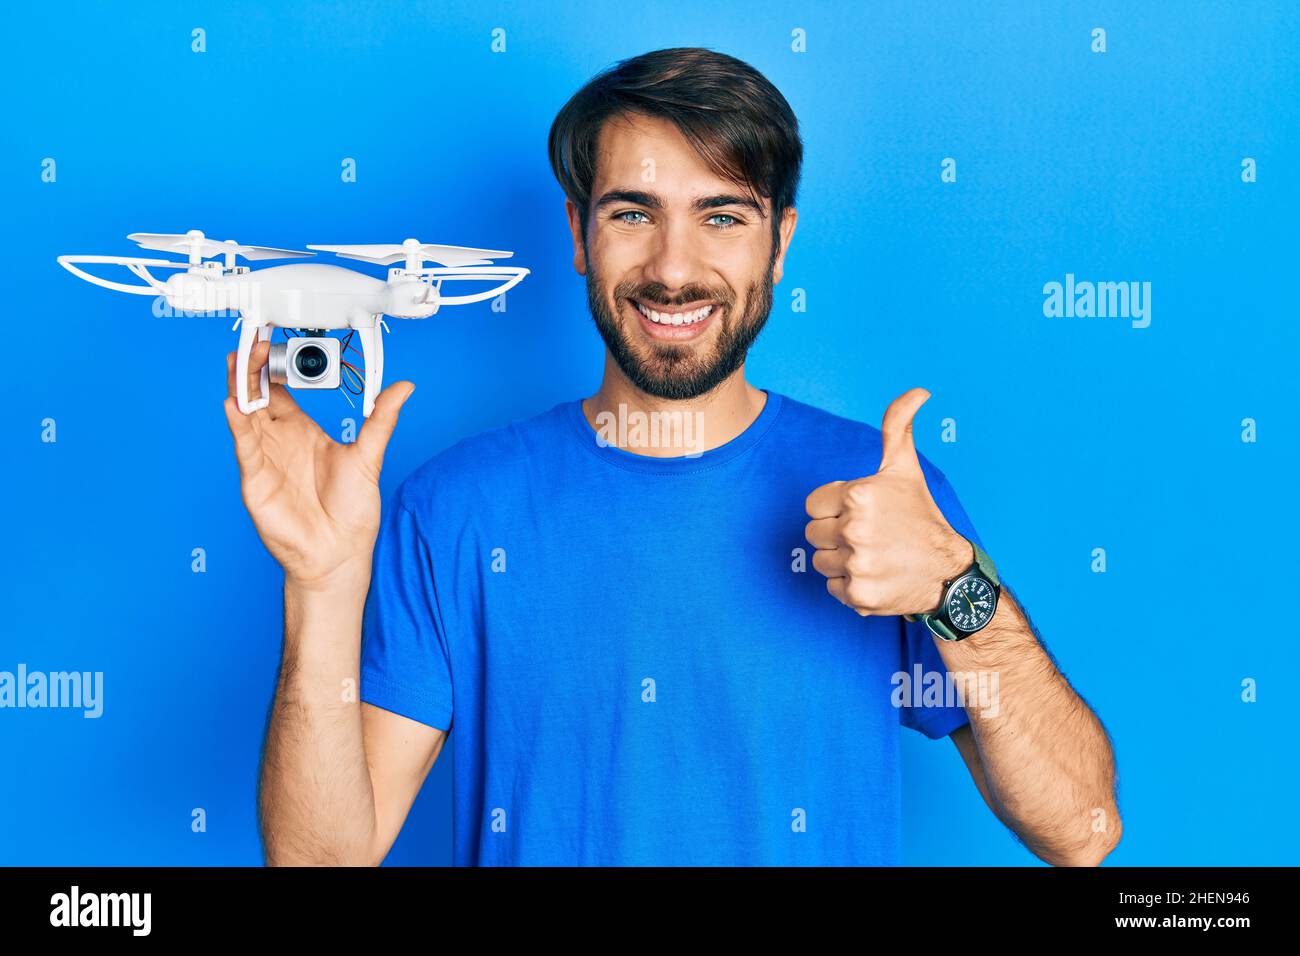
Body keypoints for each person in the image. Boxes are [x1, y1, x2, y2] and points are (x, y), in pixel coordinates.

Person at [225, 47, 1122, 867]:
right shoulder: (454, 509)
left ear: (781, 244)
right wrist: (323, 582)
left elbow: (1080, 829)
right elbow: (320, 862)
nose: (672, 267)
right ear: (578, 236)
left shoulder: (888, 499)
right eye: (633, 213)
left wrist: (955, 587)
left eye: (722, 216)